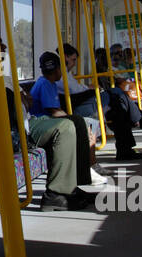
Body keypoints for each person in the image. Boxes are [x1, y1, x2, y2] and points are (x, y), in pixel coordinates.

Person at [27, 51, 98, 211]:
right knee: (72, 124)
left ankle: (73, 185)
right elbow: (53, 111)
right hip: (41, 123)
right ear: (58, 69)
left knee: (77, 122)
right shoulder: (45, 83)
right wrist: (70, 118)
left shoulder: (49, 83)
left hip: (47, 122)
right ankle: (58, 192)